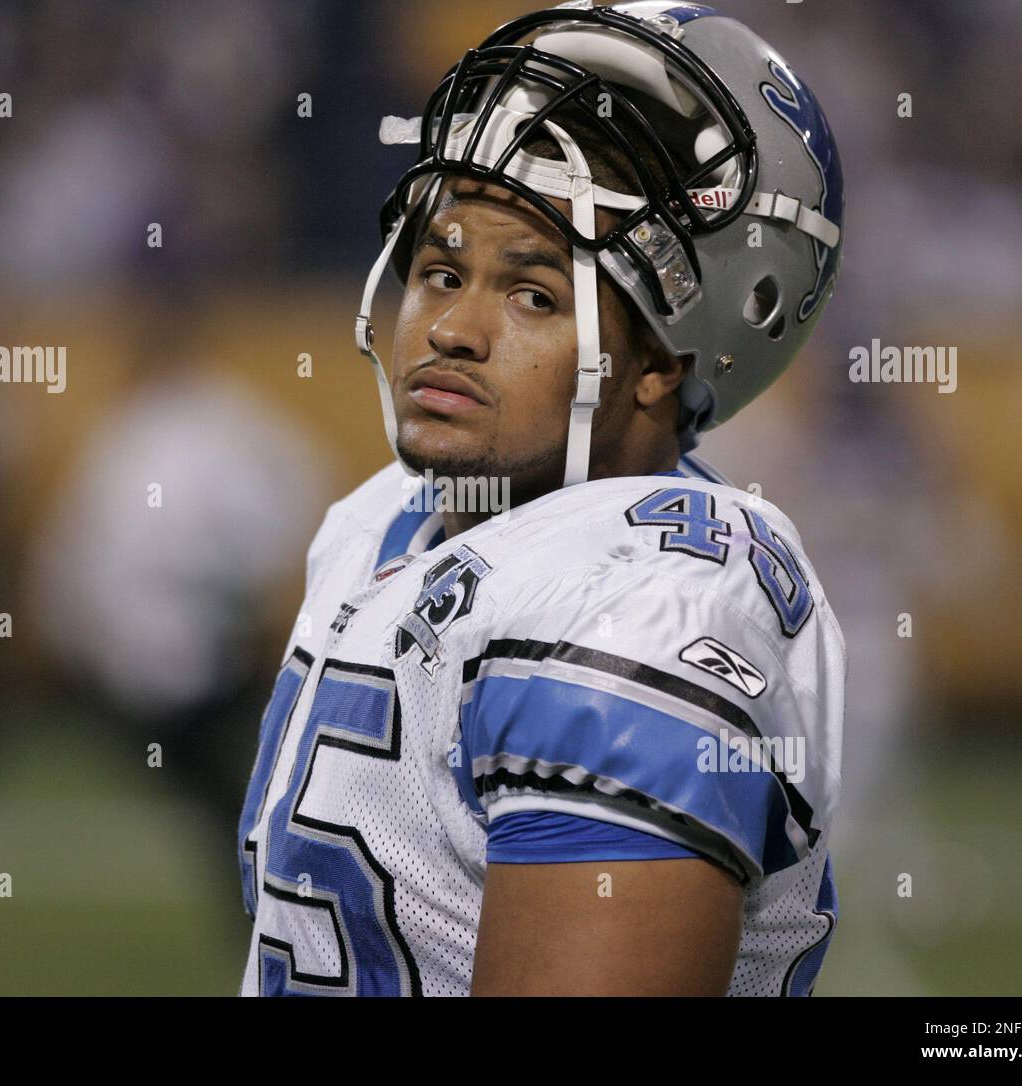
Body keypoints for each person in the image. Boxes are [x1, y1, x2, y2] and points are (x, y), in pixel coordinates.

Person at [239, 1, 846, 996]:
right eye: (439, 269)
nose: (451, 329)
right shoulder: (380, 519)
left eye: (533, 295)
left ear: (663, 354)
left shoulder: (641, 605)